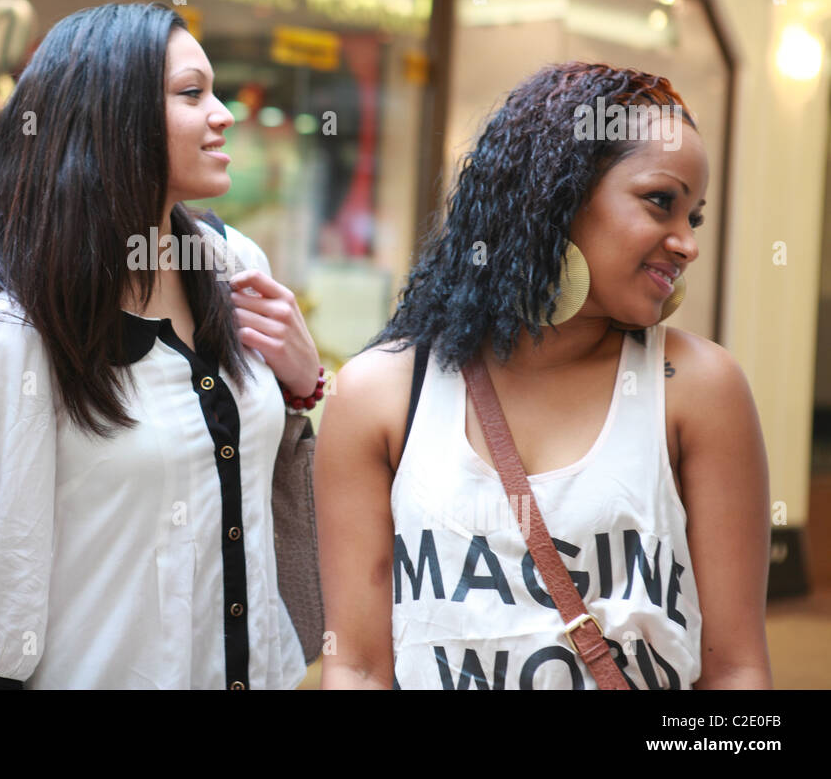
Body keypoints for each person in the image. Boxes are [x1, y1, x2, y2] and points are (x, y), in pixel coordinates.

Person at [316, 62, 772, 690]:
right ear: (556, 194)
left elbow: (736, 671)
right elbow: (359, 666)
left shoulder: (696, 387)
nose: (686, 242)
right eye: (660, 202)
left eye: (692, 217)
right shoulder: (381, 394)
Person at [0, 1, 319, 689]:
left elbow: (263, 495)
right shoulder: (19, 335)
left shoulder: (233, 263)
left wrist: (305, 386)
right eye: (191, 94)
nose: (224, 114)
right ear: (110, 118)